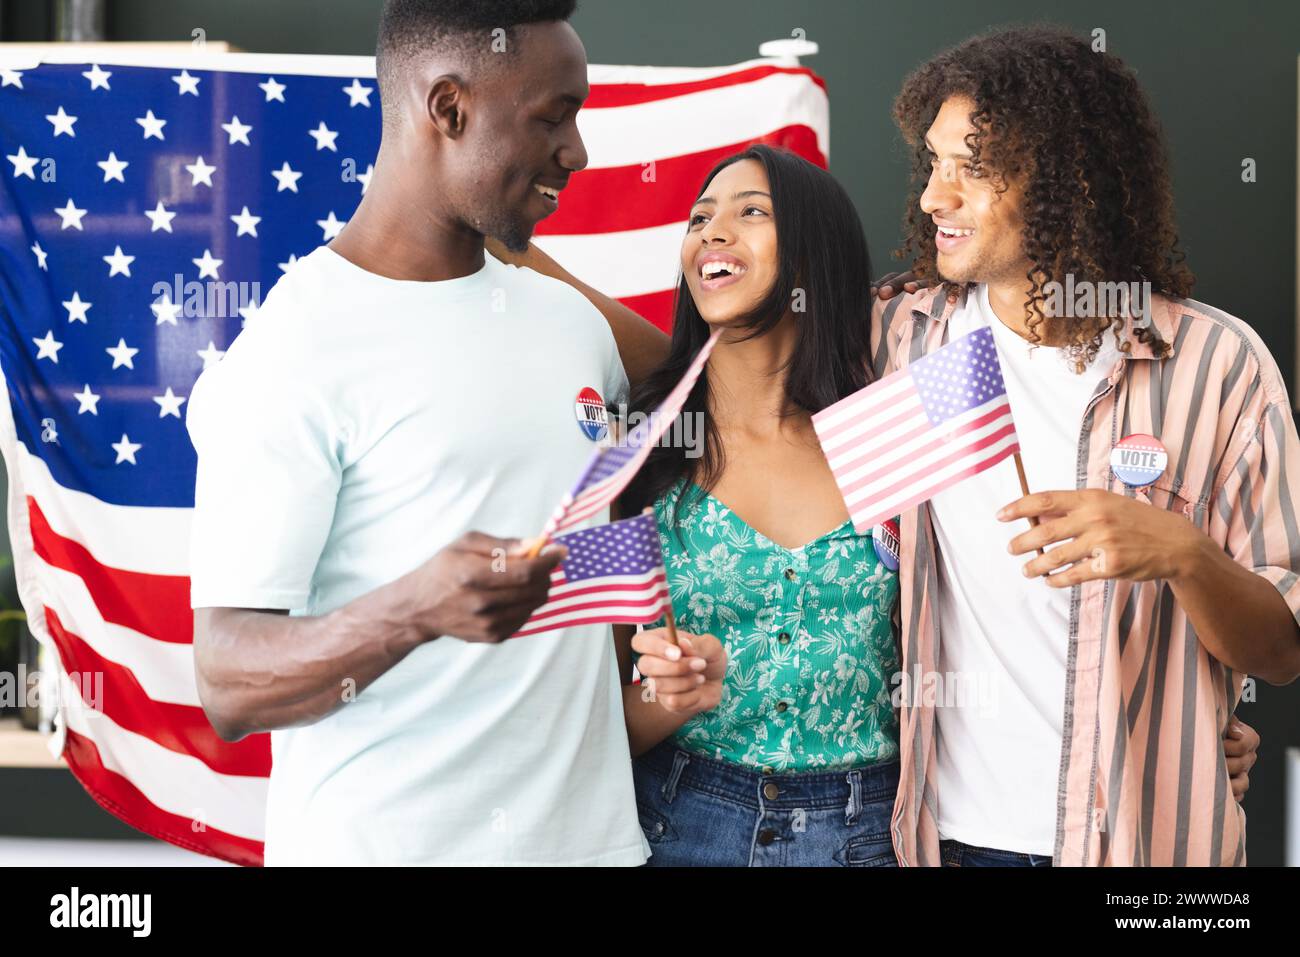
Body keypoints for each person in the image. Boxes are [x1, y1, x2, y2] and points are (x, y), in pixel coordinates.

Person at [185, 0, 653, 865]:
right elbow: (226, 678)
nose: (577, 152)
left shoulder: (569, 321)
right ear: (448, 108)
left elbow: (717, 403)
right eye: (554, 116)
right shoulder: (295, 348)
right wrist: (415, 608)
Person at [874, 25, 1299, 866]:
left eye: (973, 167)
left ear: (1069, 182)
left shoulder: (1219, 366)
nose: (933, 196)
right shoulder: (904, 335)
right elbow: (707, 369)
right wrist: (527, 252)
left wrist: (1183, 554)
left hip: (1150, 852)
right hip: (944, 841)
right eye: (932, 162)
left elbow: (1281, 651)